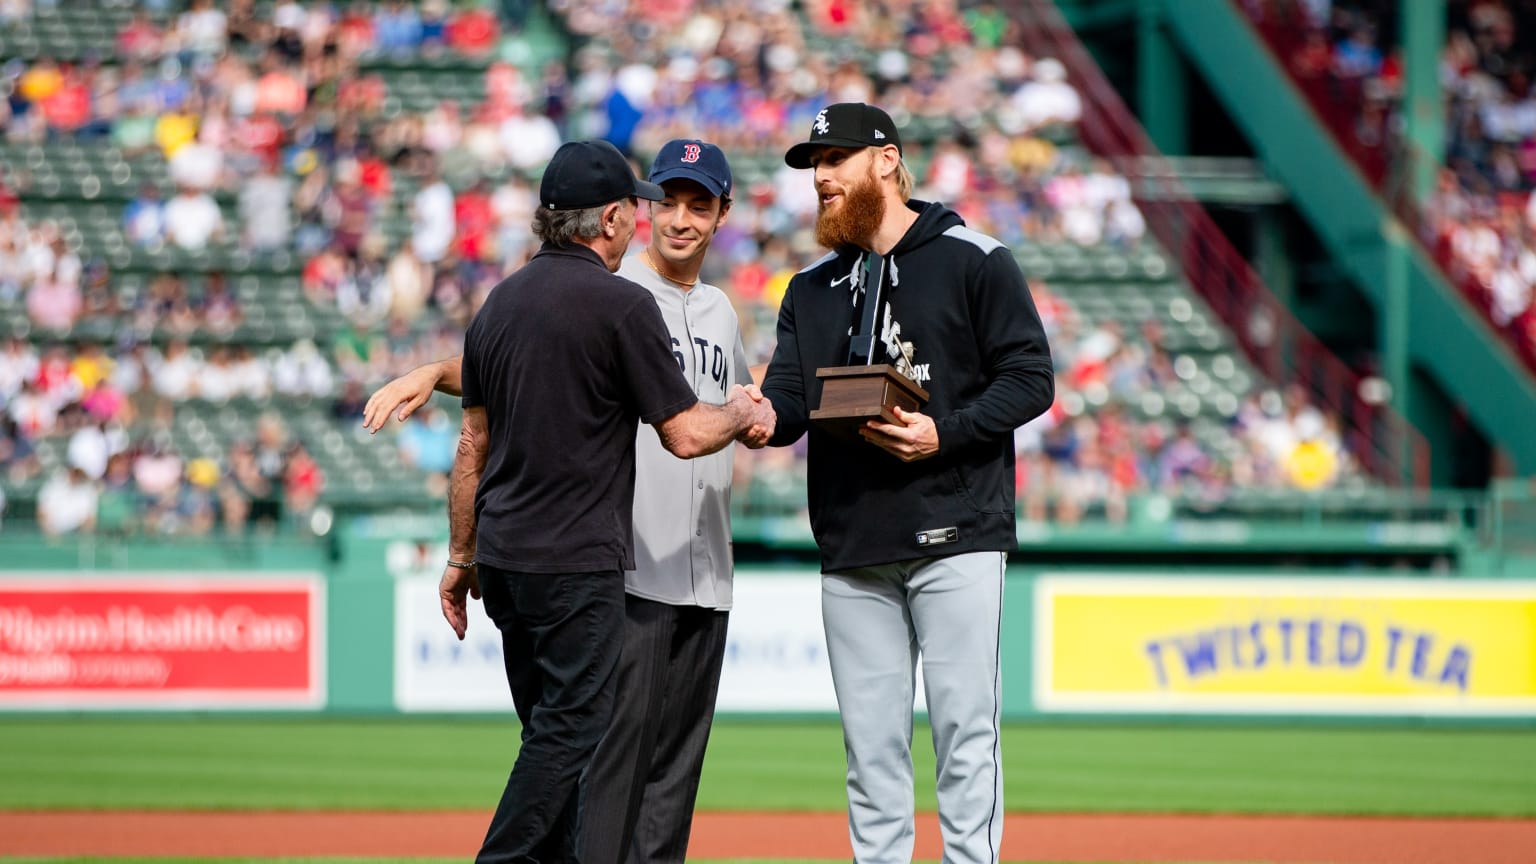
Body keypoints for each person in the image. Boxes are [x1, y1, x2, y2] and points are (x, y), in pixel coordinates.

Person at [365, 139, 752, 864]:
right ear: (609, 218)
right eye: (643, 206)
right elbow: (688, 432)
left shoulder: (500, 303)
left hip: (508, 562)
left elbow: (470, 446)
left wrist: (460, 555)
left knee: (557, 745)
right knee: (569, 738)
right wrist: (742, 411)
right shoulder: (623, 302)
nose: (653, 219)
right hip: (583, 562)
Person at [758, 103, 1055, 864]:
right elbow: (787, 404)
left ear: (887, 161)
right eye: (814, 165)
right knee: (871, 758)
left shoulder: (974, 258)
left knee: (965, 740)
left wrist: (942, 431)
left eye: (836, 159)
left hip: (957, 533)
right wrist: (749, 416)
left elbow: (1031, 379)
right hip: (855, 541)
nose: (821, 177)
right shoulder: (811, 287)